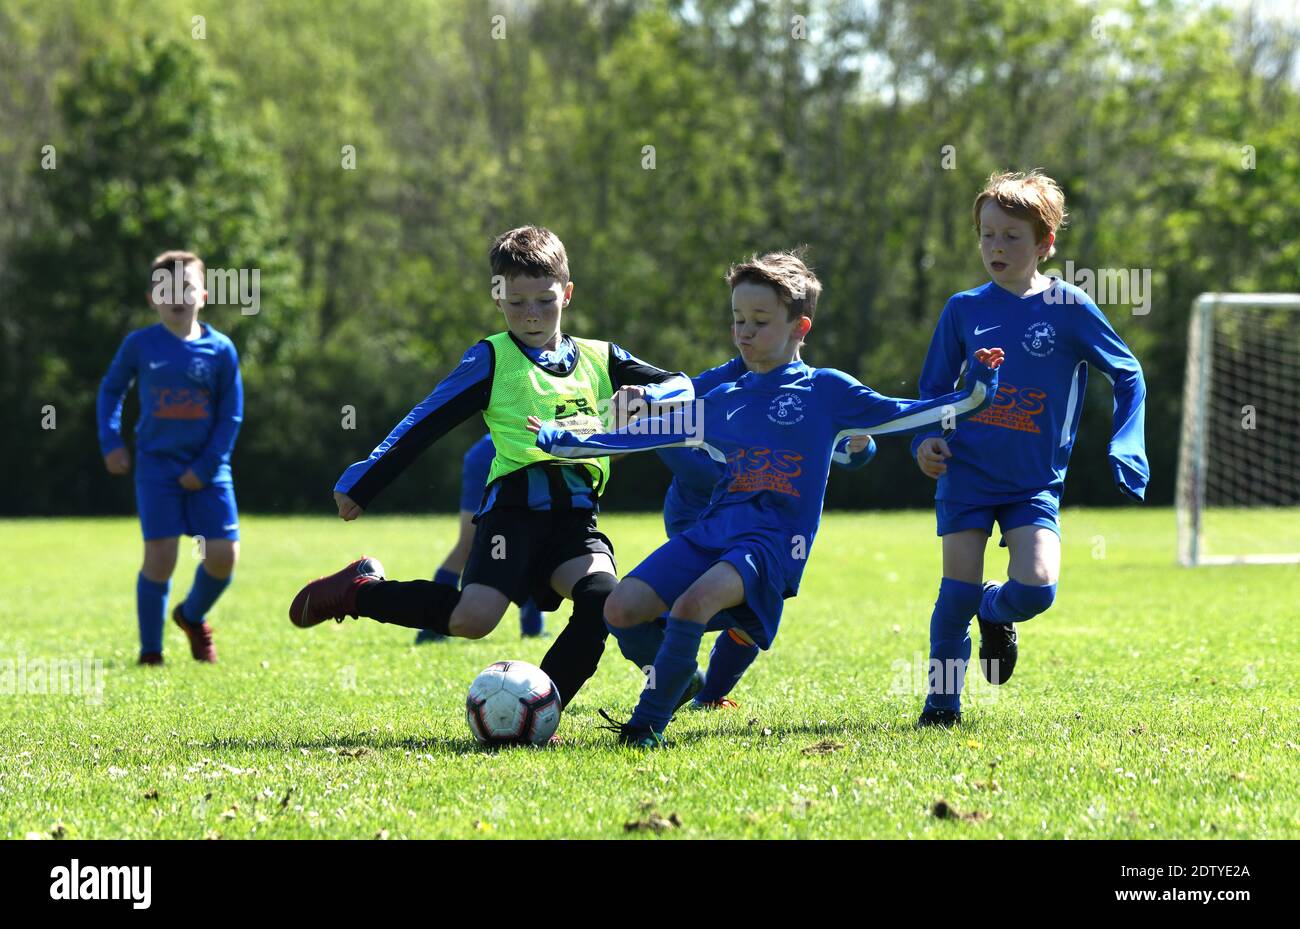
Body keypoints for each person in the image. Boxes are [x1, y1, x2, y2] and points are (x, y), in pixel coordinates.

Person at [531, 249, 1003, 746]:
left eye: (759, 321)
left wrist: (976, 393)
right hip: (712, 531)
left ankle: (645, 727)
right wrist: (563, 440)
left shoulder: (827, 391)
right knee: (620, 608)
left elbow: (906, 413)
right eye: (738, 319)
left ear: (800, 327)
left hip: (771, 544)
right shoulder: (724, 399)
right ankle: (675, 675)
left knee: (692, 605)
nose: (744, 332)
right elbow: (643, 435)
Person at [289, 225, 693, 711]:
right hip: (513, 516)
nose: (532, 314)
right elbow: (426, 418)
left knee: (601, 600)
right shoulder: (491, 358)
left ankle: (536, 708)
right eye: (517, 302)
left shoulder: (600, 358)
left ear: (566, 293)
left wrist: (646, 397)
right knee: (472, 621)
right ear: (497, 298)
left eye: (544, 301)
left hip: (576, 519)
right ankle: (359, 593)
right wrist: (366, 479)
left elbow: (682, 386)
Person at [911, 170, 1147, 728]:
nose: (996, 247)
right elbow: (932, 392)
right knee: (952, 597)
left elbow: (1128, 371)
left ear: (1045, 244)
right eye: (987, 234)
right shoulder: (963, 308)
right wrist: (925, 440)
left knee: (1038, 588)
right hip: (966, 470)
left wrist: (1127, 441)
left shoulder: (1068, 305)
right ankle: (941, 706)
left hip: (1034, 480)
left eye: (1011, 237)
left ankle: (995, 609)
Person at [98, 251, 243, 665]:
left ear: (204, 294)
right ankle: (151, 653)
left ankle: (191, 615)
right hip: (156, 468)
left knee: (222, 556)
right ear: (151, 298)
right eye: (166, 289)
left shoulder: (222, 350)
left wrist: (205, 467)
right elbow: (111, 391)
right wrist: (111, 443)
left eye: (185, 287)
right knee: (160, 559)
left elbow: (231, 415)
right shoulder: (140, 345)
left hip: (210, 469)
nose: (176, 296)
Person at [414, 433, 545, 644]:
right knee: (473, 542)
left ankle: (533, 629)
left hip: (492, 451)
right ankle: (432, 626)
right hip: (501, 454)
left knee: (472, 544)